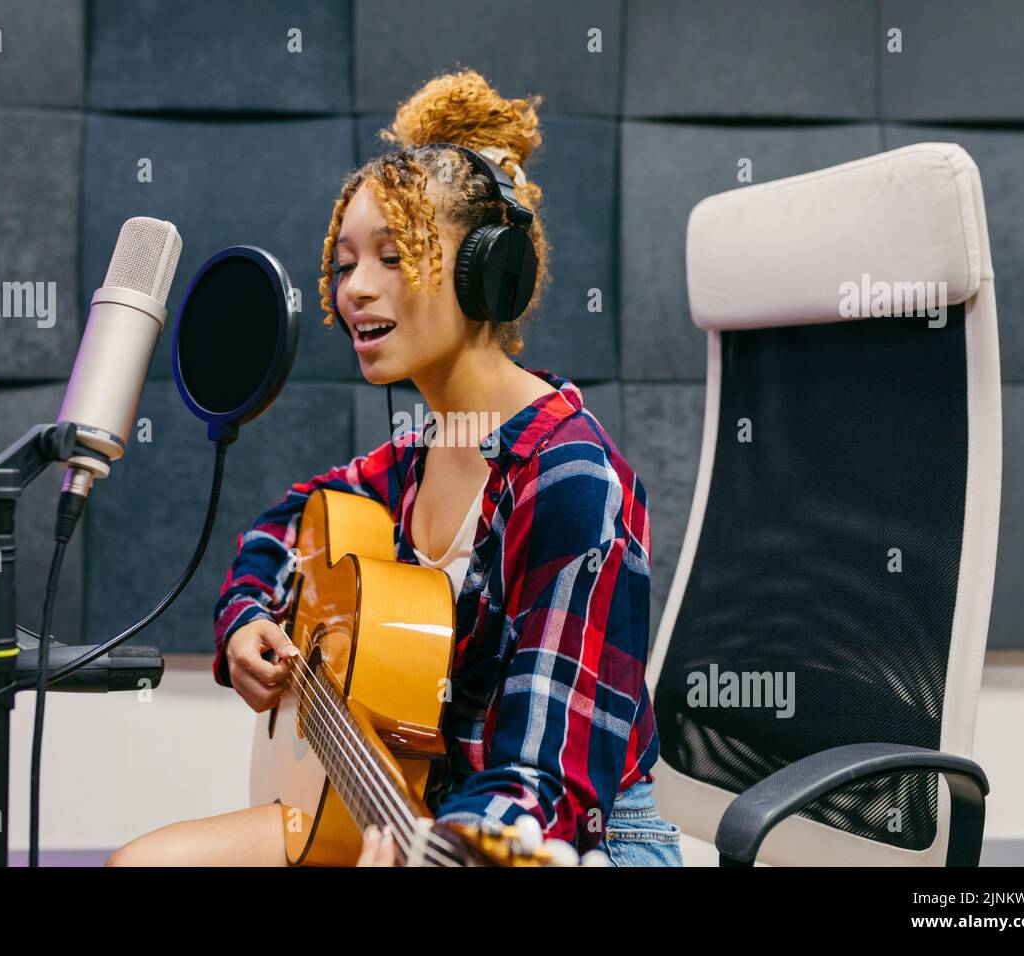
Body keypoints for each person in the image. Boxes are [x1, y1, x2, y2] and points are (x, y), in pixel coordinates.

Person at [106, 68, 681, 868]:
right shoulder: (418, 454)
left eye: (394, 255)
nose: (356, 291)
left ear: (488, 272)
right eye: (344, 264)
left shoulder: (575, 482)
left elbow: (539, 779)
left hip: (567, 841)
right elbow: (288, 519)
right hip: (406, 805)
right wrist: (245, 619)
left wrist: (446, 846)